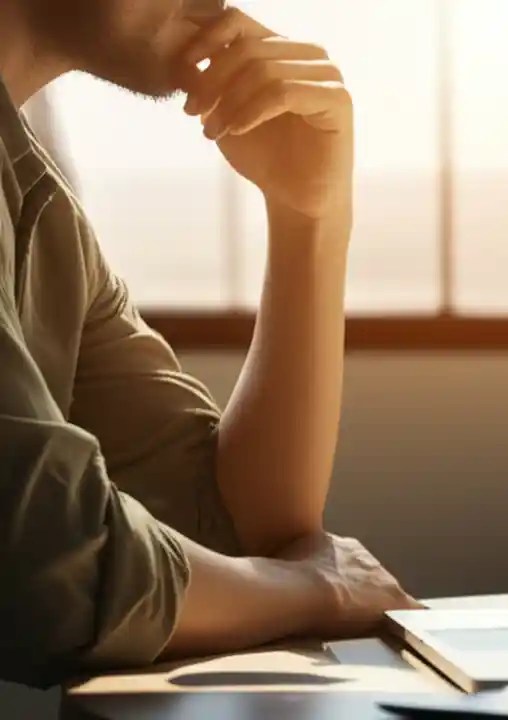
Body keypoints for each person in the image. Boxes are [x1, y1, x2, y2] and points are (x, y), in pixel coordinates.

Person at [0, 0, 418, 687]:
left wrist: (309, 214)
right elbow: (58, 573)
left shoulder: (36, 201)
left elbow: (229, 535)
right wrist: (321, 589)